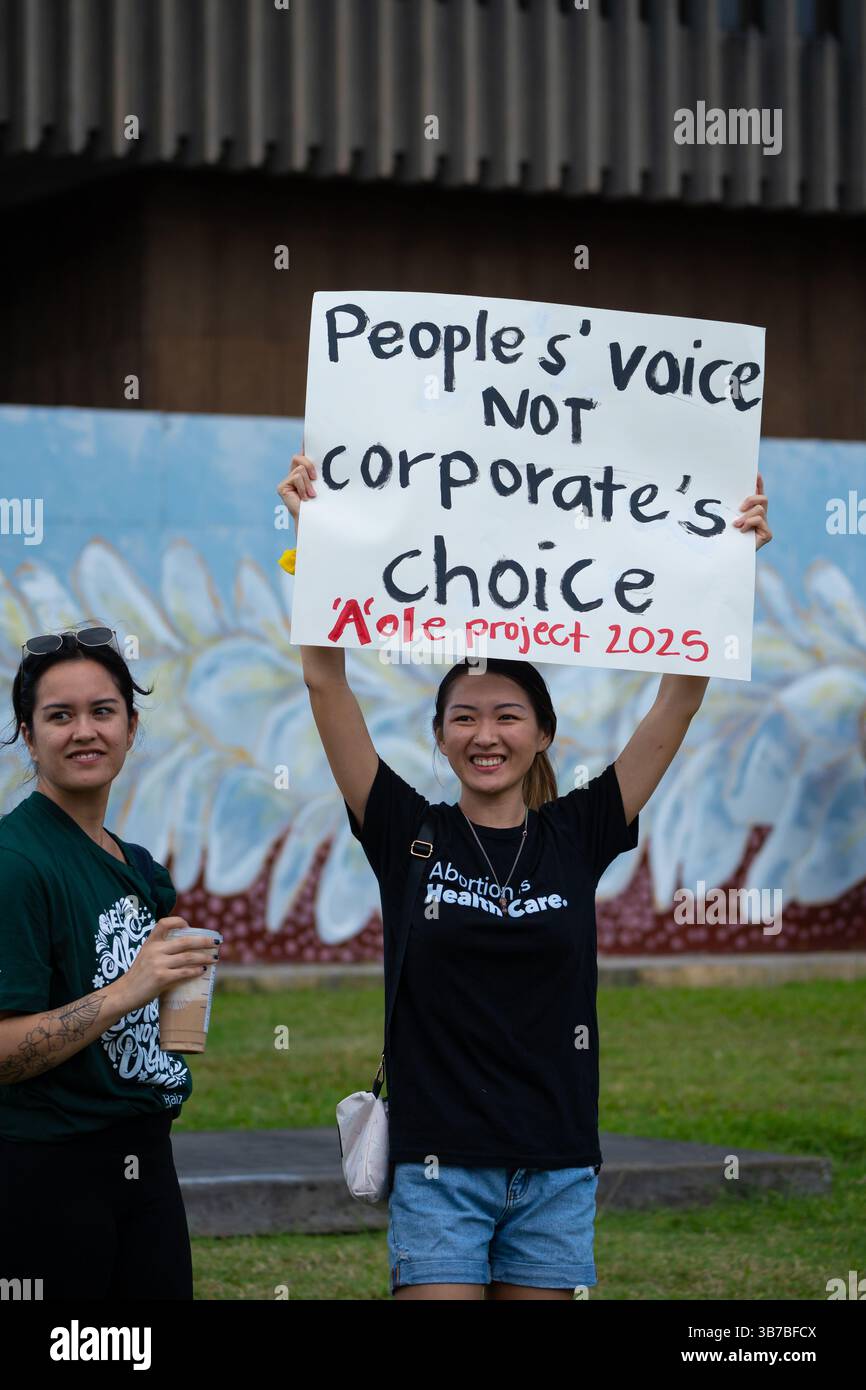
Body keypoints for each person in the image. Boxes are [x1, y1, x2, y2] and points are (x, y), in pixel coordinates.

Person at [279, 452, 772, 1301]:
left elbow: (679, 700)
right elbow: (327, 682)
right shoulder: (406, 831)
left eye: (508, 716)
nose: (486, 734)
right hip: (439, 1169)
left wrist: (728, 566)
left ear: (542, 732)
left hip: (555, 1168)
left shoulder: (578, 831)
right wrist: (315, 544)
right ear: (439, 736)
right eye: (463, 717)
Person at [0, 625, 219, 1300]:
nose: (84, 731)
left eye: (103, 711)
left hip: (145, 1157)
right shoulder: (16, 865)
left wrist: (175, 1001)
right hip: (48, 1171)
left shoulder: (141, 868)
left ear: (131, 726)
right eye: (59, 716)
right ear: (30, 738)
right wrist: (130, 990)